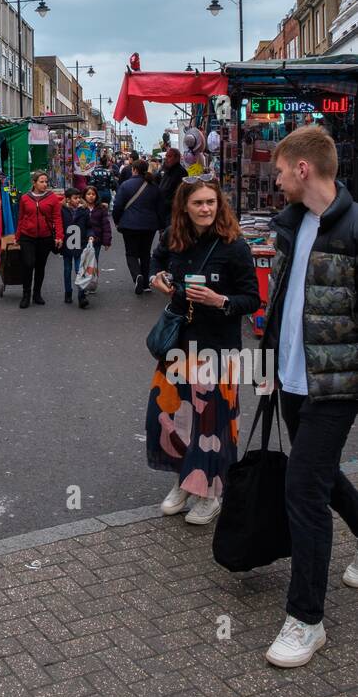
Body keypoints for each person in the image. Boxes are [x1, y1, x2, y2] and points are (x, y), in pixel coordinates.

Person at [258, 125, 358, 668]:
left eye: (278, 170)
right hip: (293, 379)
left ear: (303, 168)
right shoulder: (291, 225)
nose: (274, 181)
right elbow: (283, 306)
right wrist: (269, 364)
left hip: (335, 388)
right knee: (319, 477)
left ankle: (307, 620)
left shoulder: (354, 226)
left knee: (303, 491)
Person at [147, 177, 259, 526]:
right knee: (173, 416)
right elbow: (156, 262)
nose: (206, 209)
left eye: (211, 202)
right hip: (179, 343)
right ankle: (184, 482)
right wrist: (157, 279)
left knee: (211, 423)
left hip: (218, 348)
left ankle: (210, 492)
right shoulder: (173, 238)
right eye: (199, 203)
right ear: (185, 207)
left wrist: (220, 300)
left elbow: (252, 298)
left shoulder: (234, 245)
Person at [111, 159, 164, 293]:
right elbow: (160, 207)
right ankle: (146, 283)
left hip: (129, 224)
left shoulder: (126, 185)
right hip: (149, 225)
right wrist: (161, 225)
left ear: (134, 170)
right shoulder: (154, 186)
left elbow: (117, 206)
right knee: (146, 254)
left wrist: (117, 220)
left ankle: (137, 276)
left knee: (131, 253)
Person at [15, 170, 63, 309]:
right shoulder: (25, 198)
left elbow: (57, 218)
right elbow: (21, 218)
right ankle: (26, 295)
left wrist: (59, 236)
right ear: (34, 183)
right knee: (28, 264)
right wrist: (17, 236)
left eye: (46, 182)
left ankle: (37, 294)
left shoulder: (52, 198)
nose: (44, 184)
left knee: (40, 266)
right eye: (41, 182)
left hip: (45, 237)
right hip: (27, 237)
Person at [61, 189, 91, 307]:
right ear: (68, 199)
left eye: (79, 197)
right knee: (67, 270)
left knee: (80, 270)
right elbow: (59, 226)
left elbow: (89, 226)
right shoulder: (62, 210)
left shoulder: (84, 210)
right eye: (75, 198)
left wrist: (90, 236)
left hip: (80, 243)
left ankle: (81, 295)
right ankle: (68, 292)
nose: (78, 200)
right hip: (67, 245)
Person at [158, 147, 188, 232]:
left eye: (169, 156)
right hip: (164, 211)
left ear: (177, 158)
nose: (166, 159)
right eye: (166, 156)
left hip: (172, 211)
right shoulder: (166, 170)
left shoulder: (181, 172)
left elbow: (181, 194)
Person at [84, 184, 112, 263]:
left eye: (93, 194)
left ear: (96, 196)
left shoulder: (101, 208)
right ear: (84, 196)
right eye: (88, 194)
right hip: (83, 239)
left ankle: (92, 275)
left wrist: (107, 241)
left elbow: (106, 225)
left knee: (94, 262)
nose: (91, 196)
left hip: (97, 239)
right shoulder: (81, 208)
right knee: (83, 262)